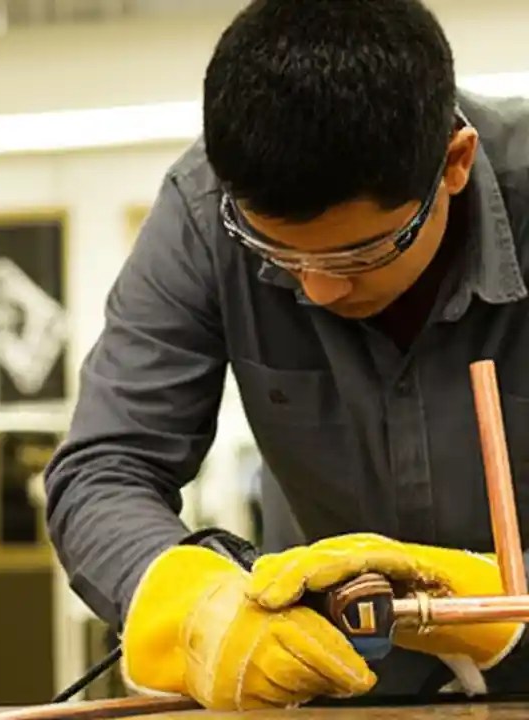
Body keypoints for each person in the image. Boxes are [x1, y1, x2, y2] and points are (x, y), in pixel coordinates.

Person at [45, 0, 529, 711]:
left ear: (454, 165)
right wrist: (198, 610)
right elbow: (102, 470)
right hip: (328, 686)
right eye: (275, 251)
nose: (319, 288)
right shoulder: (204, 211)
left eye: (363, 251)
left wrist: (498, 602)